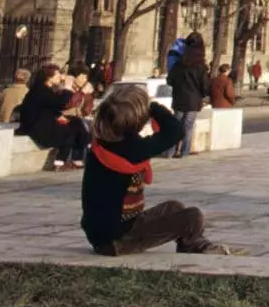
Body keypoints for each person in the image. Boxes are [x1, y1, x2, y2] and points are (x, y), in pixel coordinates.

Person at [83, 85, 236, 256]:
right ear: (137, 120)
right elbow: (175, 131)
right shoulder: (134, 149)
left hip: (101, 235)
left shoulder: (102, 145)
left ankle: (192, 241)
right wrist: (153, 108)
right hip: (117, 240)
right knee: (192, 216)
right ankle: (192, 244)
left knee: (174, 207)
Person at [16, 64, 90, 170]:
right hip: (36, 126)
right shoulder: (40, 89)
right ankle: (60, 162)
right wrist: (68, 87)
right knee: (69, 131)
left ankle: (75, 160)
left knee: (76, 123)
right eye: (58, 74)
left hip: (44, 121)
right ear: (49, 77)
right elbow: (59, 103)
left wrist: (59, 115)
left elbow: (49, 106)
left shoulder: (45, 88)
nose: (60, 77)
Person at [166, 33, 210, 158]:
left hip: (179, 99)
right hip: (193, 100)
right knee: (188, 127)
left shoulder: (178, 64)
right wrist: (202, 94)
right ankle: (184, 152)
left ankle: (171, 151)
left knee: (176, 125)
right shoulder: (200, 66)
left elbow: (170, 80)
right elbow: (205, 85)